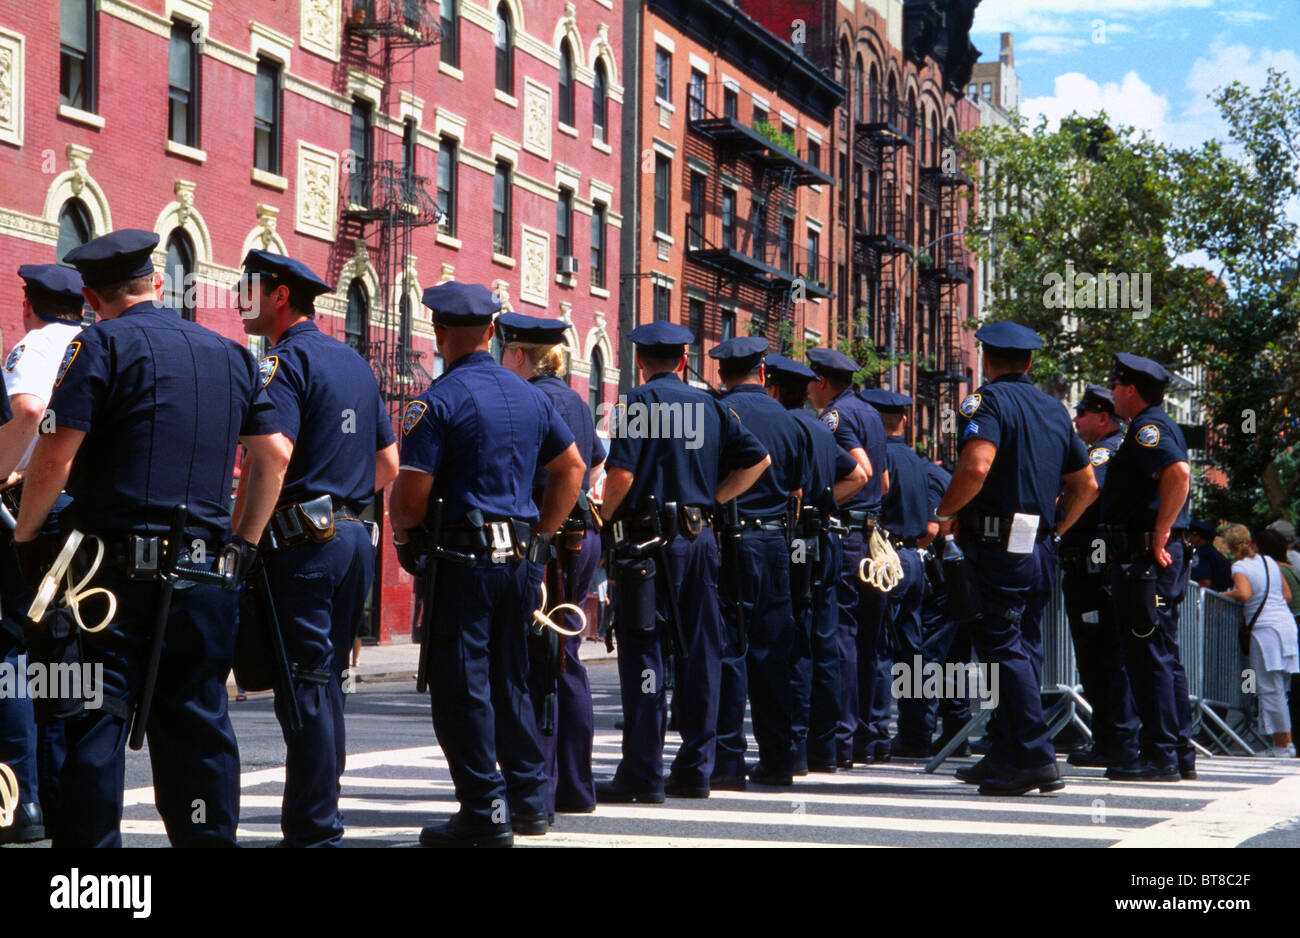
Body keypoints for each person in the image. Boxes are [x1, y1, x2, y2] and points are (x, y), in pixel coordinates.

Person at [14, 230, 291, 847]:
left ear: (90, 295)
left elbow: (55, 456)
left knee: (93, 721)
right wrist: (244, 542)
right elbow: (274, 454)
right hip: (203, 573)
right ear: (159, 284)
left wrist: (29, 538)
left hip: (108, 584)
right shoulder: (232, 355)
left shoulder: (99, 344)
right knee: (197, 724)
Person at [390, 282, 585, 847]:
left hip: (462, 559)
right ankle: (529, 801)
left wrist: (407, 540)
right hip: (519, 558)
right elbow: (571, 468)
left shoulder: (437, 401)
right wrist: (543, 537)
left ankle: (483, 808)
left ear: (439, 334)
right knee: (512, 679)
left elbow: (411, 494)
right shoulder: (531, 397)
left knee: (461, 686)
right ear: (494, 334)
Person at [236, 249, 399, 847]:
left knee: (304, 683)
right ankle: (319, 812)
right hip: (352, 538)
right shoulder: (353, 362)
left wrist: (245, 543)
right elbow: (388, 463)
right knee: (323, 679)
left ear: (279, 296)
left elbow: (271, 458)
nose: (238, 298)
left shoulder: (281, 363)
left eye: (248, 289)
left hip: (303, 545)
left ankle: (314, 828)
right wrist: (340, 496)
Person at [595, 322, 769, 803]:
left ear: (640, 361)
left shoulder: (635, 403)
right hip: (699, 540)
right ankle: (695, 769)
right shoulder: (712, 405)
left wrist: (602, 520)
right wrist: (711, 501)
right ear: (685, 358)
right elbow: (758, 462)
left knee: (645, 651)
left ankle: (643, 773)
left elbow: (622, 474)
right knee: (701, 653)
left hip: (648, 545)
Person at [935, 322, 1097, 796]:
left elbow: (976, 467)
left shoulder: (986, 403)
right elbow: (1086, 485)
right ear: (1029, 363)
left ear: (987, 359)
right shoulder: (1054, 410)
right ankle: (1006, 749)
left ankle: (1034, 756)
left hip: (998, 546)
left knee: (1002, 647)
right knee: (1022, 647)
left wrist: (943, 513)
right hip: (1040, 547)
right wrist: (1057, 529)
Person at [497, 311, 604, 815]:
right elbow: (596, 462)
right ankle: (576, 788)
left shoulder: (529, 399)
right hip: (581, 537)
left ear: (519, 355)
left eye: (504, 353)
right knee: (567, 658)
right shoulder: (578, 402)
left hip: (543, 540)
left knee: (536, 664)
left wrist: (540, 533)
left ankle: (537, 787)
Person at [0, 264, 84, 844]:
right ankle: (64, 799)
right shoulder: (96, 343)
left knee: (10, 648)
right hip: (91, 517)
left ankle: (22, 801)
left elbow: (27, 410)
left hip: (34, 510)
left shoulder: (33, 345)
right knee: (67, 660)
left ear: (30, 303)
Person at [709, 337, 804, 789]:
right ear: (763, 373)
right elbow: (801, 489)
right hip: (777, 545)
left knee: (730, 648)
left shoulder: (718, 413)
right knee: (773, 653)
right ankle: (778, 758)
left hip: (733, 537)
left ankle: (728, 758)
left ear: (722, 375)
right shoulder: (790, 421)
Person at [764, 355, 865, 774]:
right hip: (825, 540)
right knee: (825, 644)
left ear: (772, 388)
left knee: (792, 645)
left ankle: (795, 746)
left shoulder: (782, 427)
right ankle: (827, 747)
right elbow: (859, 475)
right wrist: (825, 506)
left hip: (794, 543)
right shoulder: (819, 430)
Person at [1100, 352, 1196, 782]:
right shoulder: (1149, 426)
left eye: (1115, 386)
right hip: (1148, 557)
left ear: (1131, 390)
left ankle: (1160, 754)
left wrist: (1160, 531)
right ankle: (1176, 750)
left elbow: (1178, 472)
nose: (1112, 393)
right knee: (1162, 654)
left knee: (1148, 653)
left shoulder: (1147, 429)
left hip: (1144, 558)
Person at [804, 347, 890, 767]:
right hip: (870, 536)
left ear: (821, 381)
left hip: (849, 537)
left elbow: (863, 471)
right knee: (866, 642)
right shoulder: (872, 413)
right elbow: (885, 482)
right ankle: (865, 737)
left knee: (841, 638)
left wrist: (822, 505)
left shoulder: (836, 417)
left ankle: (841, 737)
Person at [1057, 384, 1140, 770]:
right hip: (1090, 568)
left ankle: (1118, 740)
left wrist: (1058, 518)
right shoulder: (1103, 449)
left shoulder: (1105, 451)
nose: (1076, 420)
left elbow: (1087, 493)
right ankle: (1108, 740)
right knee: (1096, 659)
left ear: (1103, 417)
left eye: (1083, 414)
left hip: (1094, 570)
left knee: (1103, 658)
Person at [860, 389, 938, 758]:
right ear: (904, 421)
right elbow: (931, 526)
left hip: (883, 558)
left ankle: (875, 733)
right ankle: (916, 732)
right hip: (912, 556)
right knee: (912, 651)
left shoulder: (879, 458)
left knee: (877, 646)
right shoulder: (918, 462)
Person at [1222, 525, 1297, 757]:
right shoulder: (1270, 563)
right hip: (1286, 626)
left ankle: (1283, 745)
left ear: (1230, 546)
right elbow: (1287, 596)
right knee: (1281, 688)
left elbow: (1243, 594)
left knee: (1268, 688)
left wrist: (1225, 594)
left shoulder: (1239, 566)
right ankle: (1282, 742)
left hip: (1265, 631)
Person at [1189, 520, 1234, 592]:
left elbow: (1205, 583)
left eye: (1191, 535)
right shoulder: (1216, 554)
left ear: (1198, 537)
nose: (1189, 538)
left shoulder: (1201, 554)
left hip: (1206, 600)